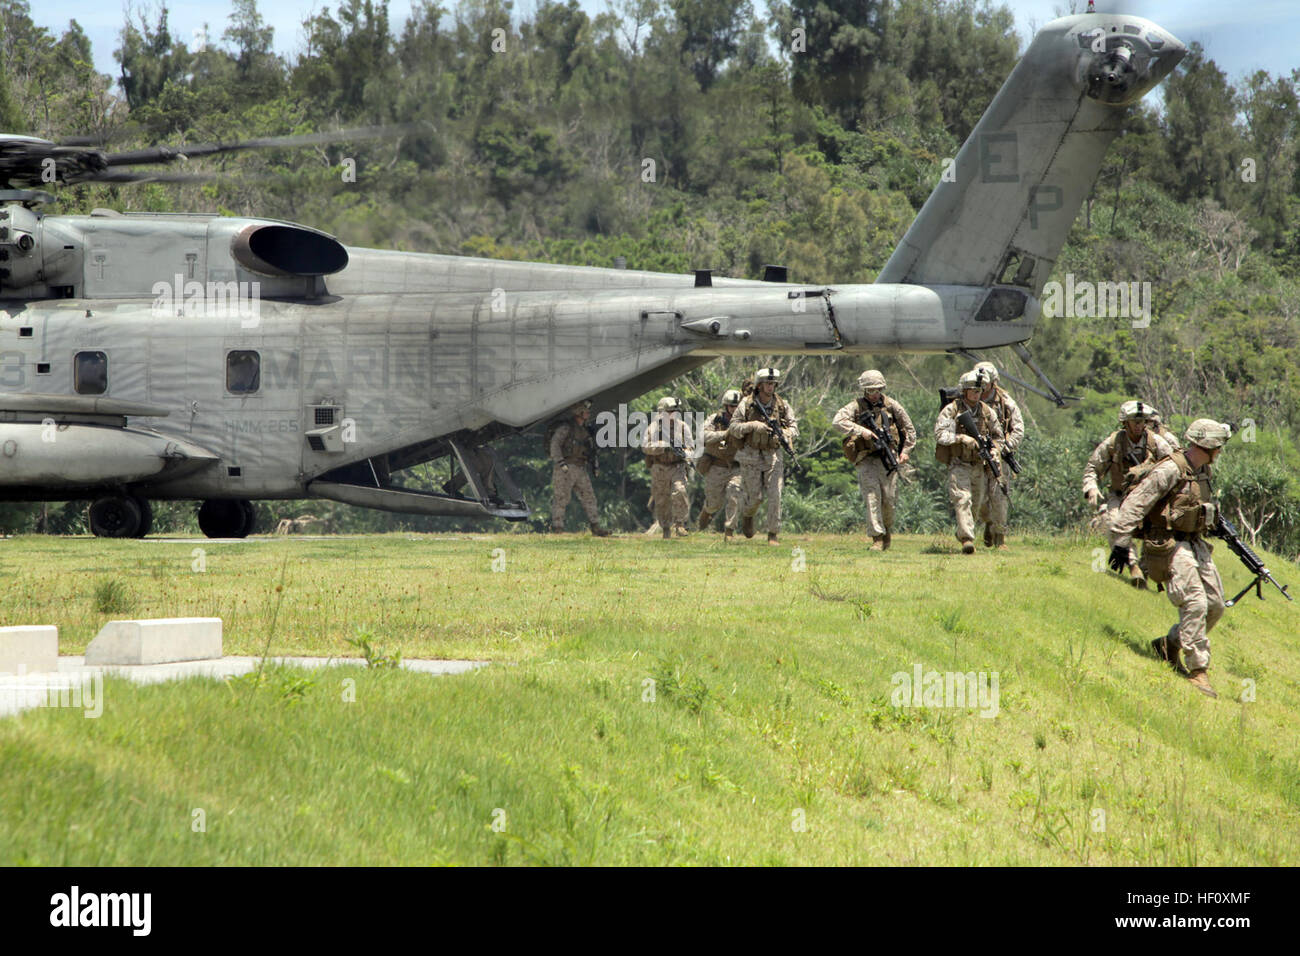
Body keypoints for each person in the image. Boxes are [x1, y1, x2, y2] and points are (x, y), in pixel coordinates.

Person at [1108, 420, 1232, 698]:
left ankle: (1169, 645)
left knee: (1215, 604)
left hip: (1194, 542)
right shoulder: (1169, 469)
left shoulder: (1202, 471)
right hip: (1168, 544)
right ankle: (1198, 671)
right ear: (1210, 446)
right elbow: (1136, 503)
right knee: (1195, 602)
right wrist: (1120, 542)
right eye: (1219, 447)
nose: (1221, 451)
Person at [1082, 400, 1173, 587]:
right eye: (1135, 421)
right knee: (1114, 523)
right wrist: (1091, 487)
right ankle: (1133, 566)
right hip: (1120, 495)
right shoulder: (1113, 443)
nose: (1140, 426)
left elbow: (1174, 464)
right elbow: (1092, 467)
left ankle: (1146, 569)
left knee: (1156, 534)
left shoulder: (1157, 443)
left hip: (1151, 498)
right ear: (1125, 423)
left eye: (1143, 421)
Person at [832, 369, 916, 550]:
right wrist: (860, 431)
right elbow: (837, 421)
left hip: (889, 457)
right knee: (872, 496)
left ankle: (887, 531)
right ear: (864, 390)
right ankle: (877, 537)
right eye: (870, 390)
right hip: (866, 458)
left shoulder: (892, 405)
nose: (874, 394)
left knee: (889, 500)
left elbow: (909, 429)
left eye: (877, 390)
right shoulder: (856, 406)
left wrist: (906, 451)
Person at [934, 370, 1005, 554]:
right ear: (964, 390)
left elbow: (998, 436)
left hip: (978, 465)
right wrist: (960, 438)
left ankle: (965, 531)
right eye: (973, 390)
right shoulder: (952, 409)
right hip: (959, 463)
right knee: (962, 499)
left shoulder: (986, 411)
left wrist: (994, 449)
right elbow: (940, 434)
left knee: (975, 503)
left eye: (979, 390)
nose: (976, 394)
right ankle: (967, 539)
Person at [729, 368, 798, 545]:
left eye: (773, 383)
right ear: (759, 385)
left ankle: (773, 534)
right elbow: (734, 428)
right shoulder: (746, 404)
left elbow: (794, 428)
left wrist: (784, 433)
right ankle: (748, 514)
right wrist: (752, 425)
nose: (770, 387)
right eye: (767, 383)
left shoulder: (782, 405)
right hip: (750, 454)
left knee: (775, 494)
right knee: (755, 498)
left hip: (773, 454)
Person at [973, 361, 1024, 550]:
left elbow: (1018, 428)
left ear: (993, 382)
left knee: (999, 496)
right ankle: (988, 522)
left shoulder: (1006, 402)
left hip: (998, 456)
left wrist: (1005, 447)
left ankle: (1000, 537)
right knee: (979, 498)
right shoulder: (970, 398)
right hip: (975, 456)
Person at [550, 401, 609, 536]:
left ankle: (595, 527)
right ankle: (557, 528)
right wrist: (560, 462)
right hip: (565, 468)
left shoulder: (585, 430)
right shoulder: (566, 428)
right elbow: (555, 445)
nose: (588, 414)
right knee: (561, 498)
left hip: (580, 468)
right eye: (585, 411)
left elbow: (591, 450)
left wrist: (595, 465)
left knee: (589, 497)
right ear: (579, 413)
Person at [643, 396, 693, 539]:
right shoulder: (653, 428)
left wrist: (686, 454)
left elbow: (691, 446)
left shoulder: (683, 427)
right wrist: (662, 446)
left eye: (675, 411)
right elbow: (645, 446)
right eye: (670, 411)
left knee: (680, 490)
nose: (673, 414)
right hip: (659, 468)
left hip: (677, 467)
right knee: (661, 500)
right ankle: (666, 527)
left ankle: (680, 524)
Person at [698, 388, 744, 540]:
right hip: (717, 465)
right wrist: (724, 434)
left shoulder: (744, 421)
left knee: (734, 492)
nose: (734, 409)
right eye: (731, 406)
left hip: (736, 466)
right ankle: (707, 511)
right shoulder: (715, 419)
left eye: (737, 406)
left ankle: (729, 530)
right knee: (714, 502)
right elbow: (703, 435)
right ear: (726, 406)